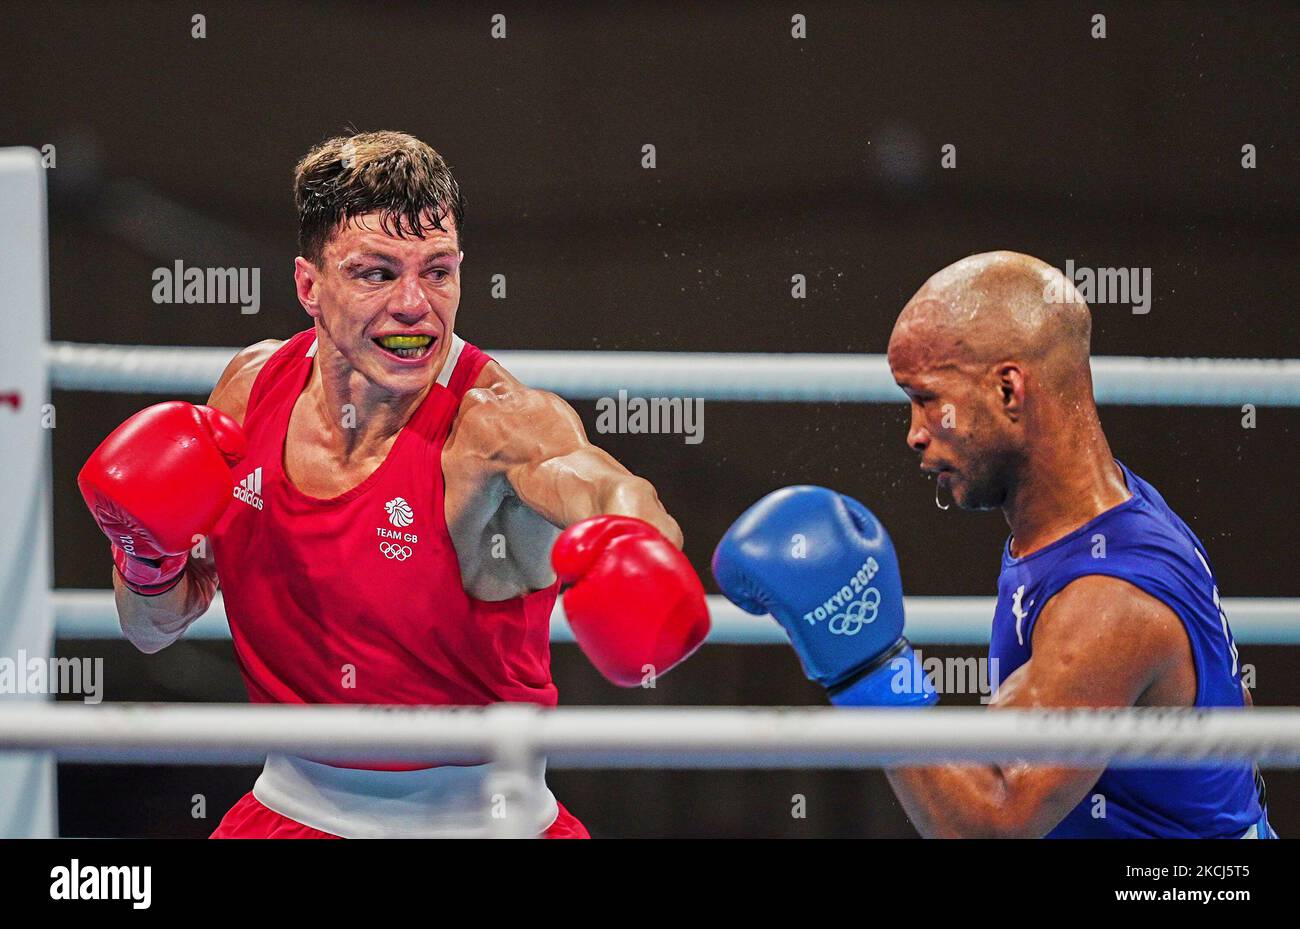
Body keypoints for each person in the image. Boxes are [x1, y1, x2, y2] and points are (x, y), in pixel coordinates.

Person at [77, 130, 709, 838]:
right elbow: (150, 632)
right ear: (309, 286)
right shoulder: (251, 390)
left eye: (438, 271)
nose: (415, 304)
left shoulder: (495, 427)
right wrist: (146, 560)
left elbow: (611, 490)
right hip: (288, 809)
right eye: (377, 273)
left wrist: (635, 540)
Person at [713, 251, 1272, 838]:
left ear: (1009, 389)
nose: (914, 434)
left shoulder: (1105, 602)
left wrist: (869, 670)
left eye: (927, 399)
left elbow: (989, 828)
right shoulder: (1106, 517)